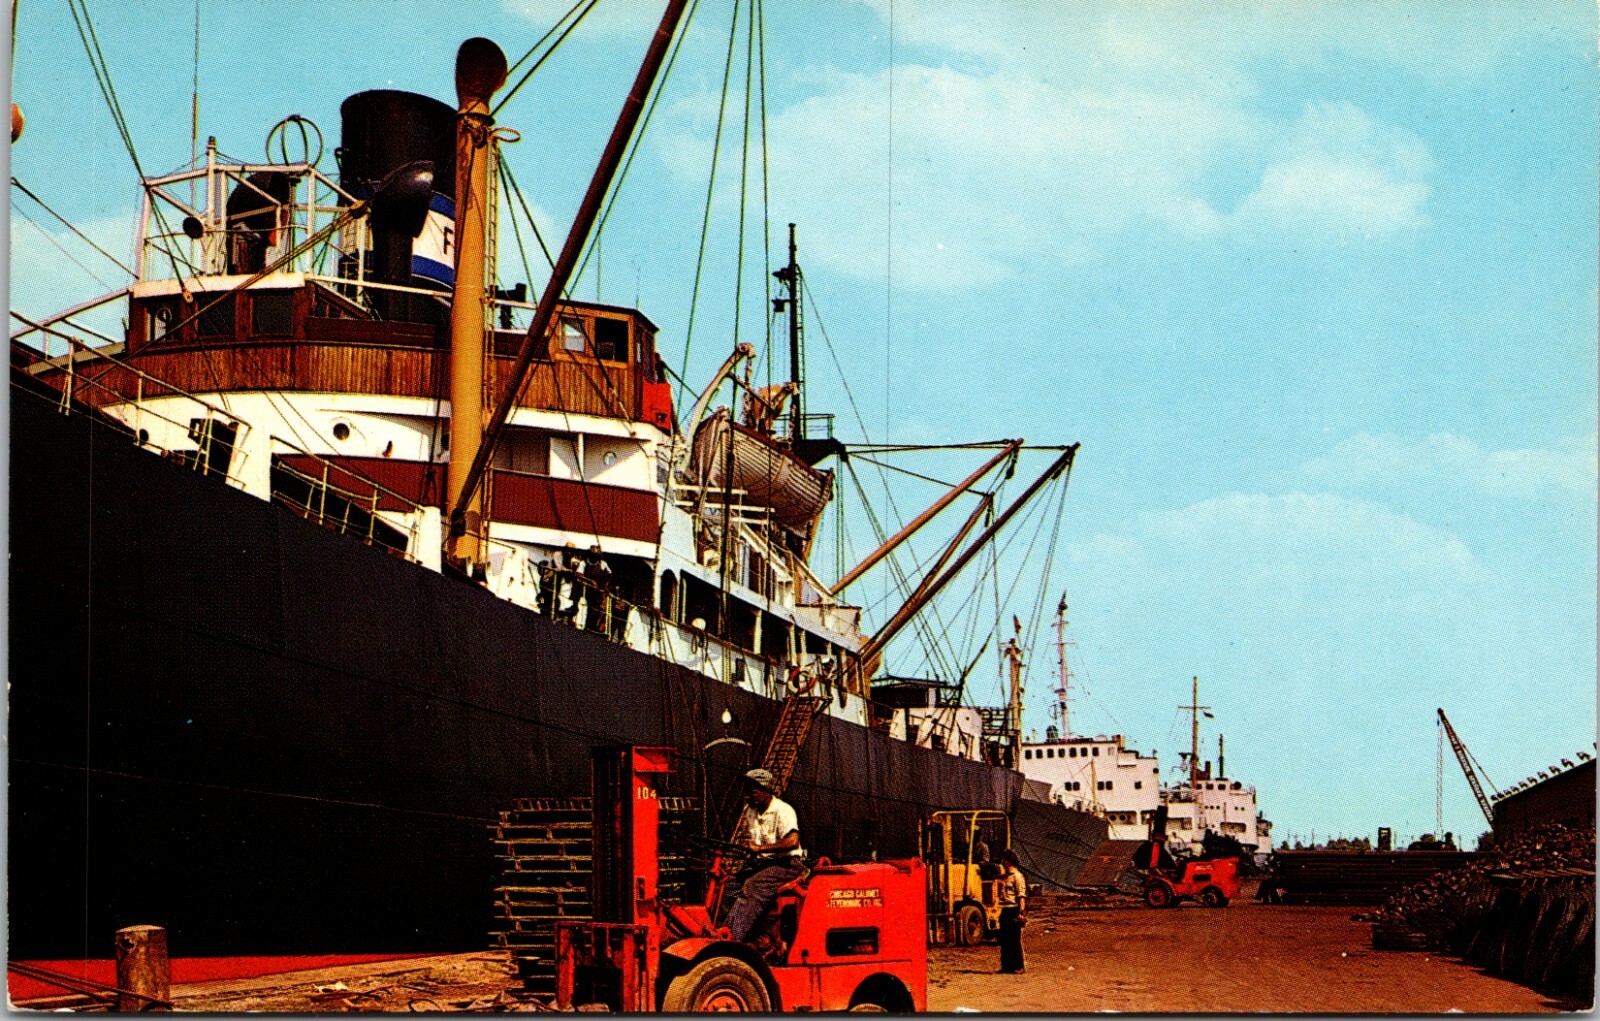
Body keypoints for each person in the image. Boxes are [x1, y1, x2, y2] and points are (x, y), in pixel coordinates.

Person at [723, 768, 807, 942]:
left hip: (788, 865)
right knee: (728, 888)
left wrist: (760, 850)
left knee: (753, 886)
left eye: (751, 792)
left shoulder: (782, 810)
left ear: (765, 791)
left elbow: (793, 842)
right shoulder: (750, 810)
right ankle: (752, 932)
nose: (746, 797)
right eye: (745, 793)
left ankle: (732, 941)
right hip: (767, 864)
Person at [996, 848, 1027, 974]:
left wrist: (1021, 912)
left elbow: (1021, 896)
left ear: (1008, 861)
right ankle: (1007, 966)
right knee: (1004, 939)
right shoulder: (1005, 877)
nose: (1002, 862)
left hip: (1013, 909)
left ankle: (1019, 966)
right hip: (1004, 909)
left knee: (1014, 939)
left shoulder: (1017, 877)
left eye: (1004, 860)